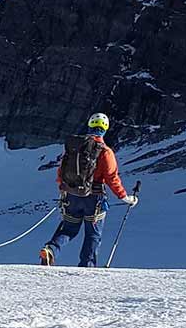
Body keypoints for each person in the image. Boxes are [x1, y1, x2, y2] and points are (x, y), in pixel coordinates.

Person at [39, 112, 137, 268]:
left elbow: (61, 171)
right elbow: (112, 178)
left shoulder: (75, 147)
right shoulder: (105, 151)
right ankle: (87, 266)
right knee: (93, 235)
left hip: (71, 195)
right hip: (94, 199)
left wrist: (63, 188)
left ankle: (50, 249)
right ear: (105, 129)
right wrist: (125, 197)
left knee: (69, 228)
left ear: (90, 125)